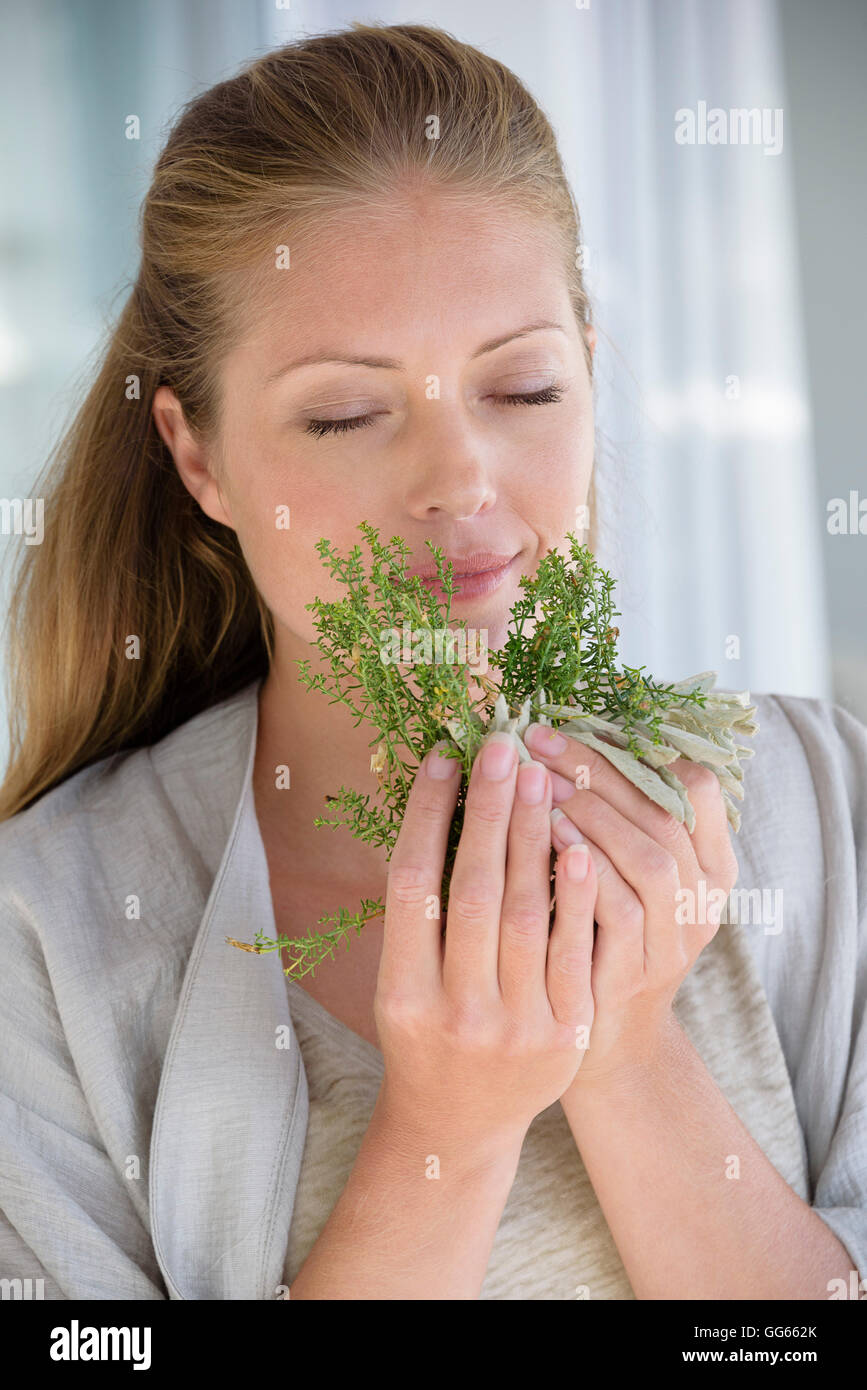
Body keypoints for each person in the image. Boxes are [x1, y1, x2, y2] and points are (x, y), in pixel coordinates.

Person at [0, 21, 865, 1302]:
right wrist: (445, 1139)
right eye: (346, 412)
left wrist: (625, 1054)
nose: (460, 477)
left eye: (522, 388)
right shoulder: (47, 936)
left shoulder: (824, 803)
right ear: (199, 457)